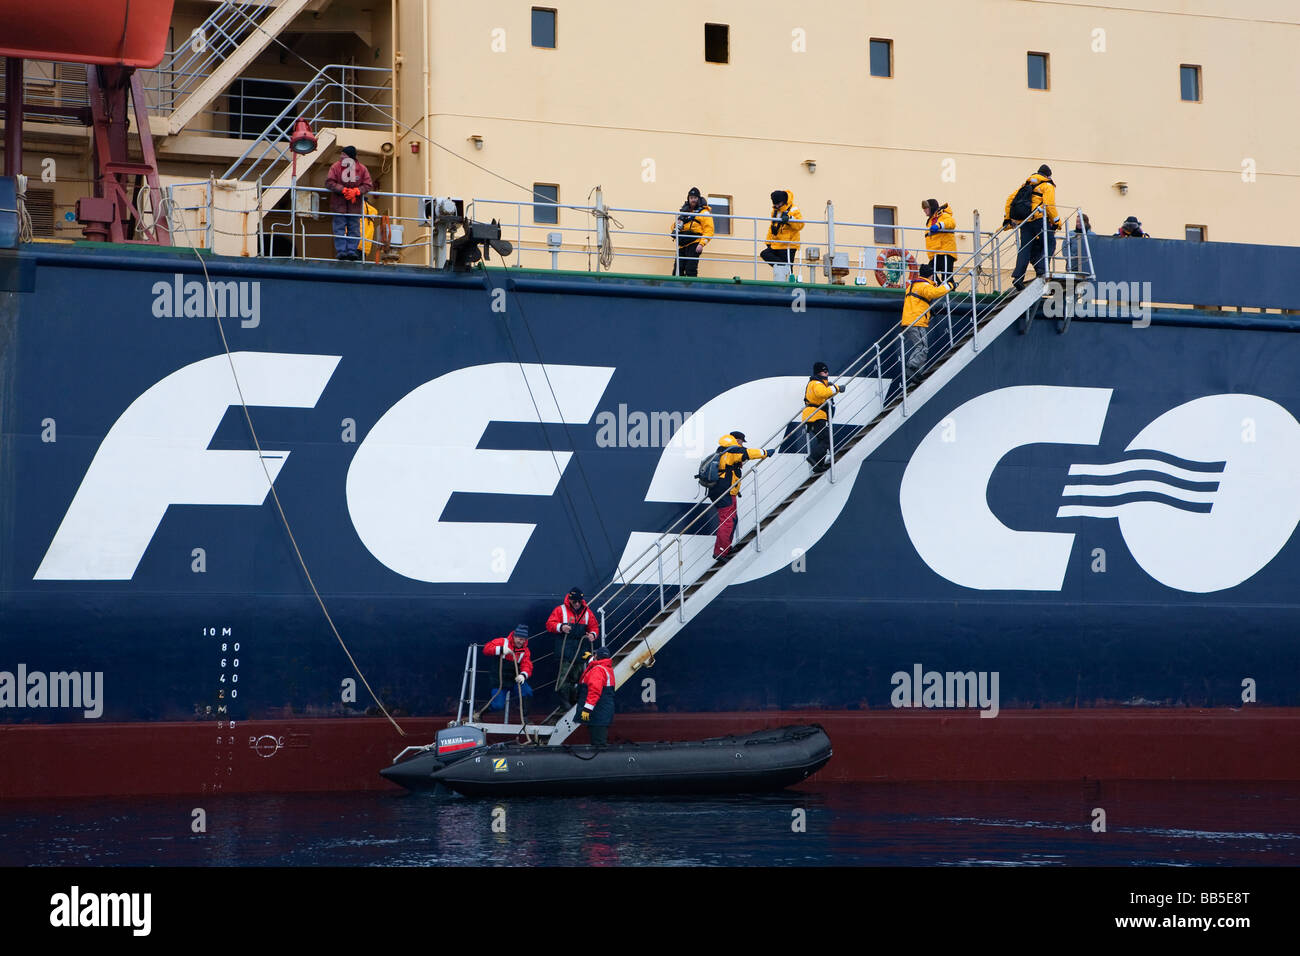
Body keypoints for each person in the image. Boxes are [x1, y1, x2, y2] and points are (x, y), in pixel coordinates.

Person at [711, 431, 772, 562]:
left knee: (732, 520)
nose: (742, 444)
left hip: (726, 491)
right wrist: (765, 453)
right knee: (727, 521)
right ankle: (720, 552)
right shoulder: (733, 450)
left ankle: (725, 548)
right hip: (724, 491)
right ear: (737, 440)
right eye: (742, 441)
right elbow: (748, 453)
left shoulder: (723, 450)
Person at [1002, 164, 1060, 290]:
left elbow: (1010, 199)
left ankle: (1018, 277)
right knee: (1050, 242)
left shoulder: (1026, 184)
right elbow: (1049, 205)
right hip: (1039, 219)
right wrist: (1057, 222)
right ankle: (1041, 268)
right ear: (1048, 175)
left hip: (1025, 221)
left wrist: (1007, 218)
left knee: (1025, 249)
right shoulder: (1047, 185)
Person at [900, 262, 954, 375]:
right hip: (916, 321)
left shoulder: (912, 286)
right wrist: (950, 285)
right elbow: (935, 293)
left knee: (921, 346)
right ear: (930, 276)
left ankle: (917, 373)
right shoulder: (924, 286)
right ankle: (911, 367)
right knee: (923, 347)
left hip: (909, 320)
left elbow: (918, 301)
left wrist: (928, 309)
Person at [325, 145, 374, 261]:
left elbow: (368, 185)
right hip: (340, 206)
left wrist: (357, 191)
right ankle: (342, 251)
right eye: (342, 154)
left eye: (344, 154)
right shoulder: (336, 167)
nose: (341, 156)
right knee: (340, 228)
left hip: (354, 206)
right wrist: (343, 190)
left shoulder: (361, 169)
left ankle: (351, 251)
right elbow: (329, 182)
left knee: (354, 229)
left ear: (350, 156)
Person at [803, 362, 846, 474]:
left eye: (827, 371)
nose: (827, 373)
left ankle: (818, 465)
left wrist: (830, 388)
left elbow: (823, 394)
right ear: (818, 372)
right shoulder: (817, 383)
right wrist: (836, 388)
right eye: (824, 371)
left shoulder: (818, 383)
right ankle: (813, 458)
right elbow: (821, 393)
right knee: (827, 439)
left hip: (815, 416)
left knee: (822, 439)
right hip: (815, 416)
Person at [482, 625, 533, 710]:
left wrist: (523, 675)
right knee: (498, 705)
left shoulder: (525, 651)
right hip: (499, 680)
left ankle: (525, 718)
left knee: (527, 692)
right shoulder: (502, 642)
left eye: (524, 640)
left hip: (514, 680)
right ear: (514, 636)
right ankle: (479, 714)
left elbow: (527, 665)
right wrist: (500, 649)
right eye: (520, 639)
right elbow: (486, 649)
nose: (522, 642)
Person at [577, 645, 616, 746]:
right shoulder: (606, 668)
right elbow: (598, 663)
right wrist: (590, 658)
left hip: (598, 712)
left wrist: (587, 709)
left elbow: (594, 691)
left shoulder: (597, 670)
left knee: (598, 743)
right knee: (600, 738)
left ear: (597, 656)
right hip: (603, 711)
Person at [759, 189, 803, 278]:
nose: (776, 206)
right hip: (777, 244)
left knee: (788, 272)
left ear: (783, 201)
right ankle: (785, 266)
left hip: (789, 245)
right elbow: (772, 227)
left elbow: (800, 225)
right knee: (764, 254)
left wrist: (790, 219)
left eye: (778, 204)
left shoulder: (794, 209)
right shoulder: (775, 211)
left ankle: (789, 281)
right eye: (775, 204)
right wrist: (768, 241)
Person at [671, 187, 713, 277]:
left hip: (695, 243)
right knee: (677, 270)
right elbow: (673, 227)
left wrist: (701, 244)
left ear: (698, 199)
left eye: (695, 198)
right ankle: (677, 289)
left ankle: (691, 289)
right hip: (682, 244)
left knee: (691, 269)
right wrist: (676, 225)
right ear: (688, 199)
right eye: (691, 198)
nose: (693, 200)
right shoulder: (684, 212)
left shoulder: (704, 212)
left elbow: (709, 230)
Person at [922, 199, 957, 282]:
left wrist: (939, 225)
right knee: (928, 273)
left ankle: (950, 292)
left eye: (926, 208)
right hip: (936, 253)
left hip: (945, 251)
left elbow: (951, 222)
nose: (924, 210)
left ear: (931, 207)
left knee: (946, 276)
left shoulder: (943, 215)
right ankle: (939, 289)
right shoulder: (930, 220)